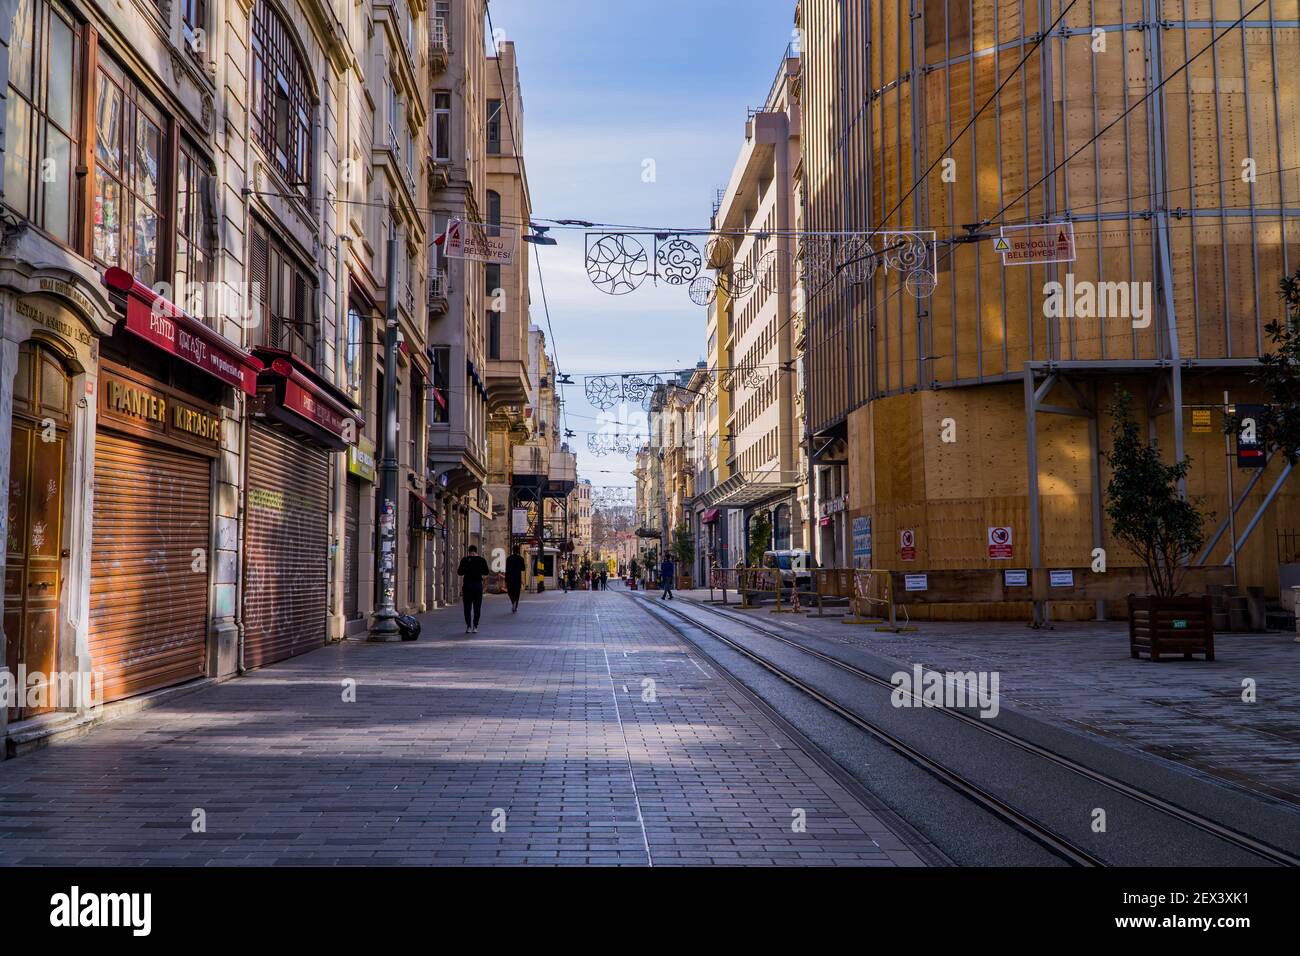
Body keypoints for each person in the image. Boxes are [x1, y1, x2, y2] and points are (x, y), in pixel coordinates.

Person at [457, 546, 491, 633]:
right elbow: (486, 572)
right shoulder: (481, 560)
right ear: (476, 551)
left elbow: (459, 572)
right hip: (477, 586)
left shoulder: (464, 560)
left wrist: (467, 570)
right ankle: (475, 627)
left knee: (467, 607)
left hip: (467, 586)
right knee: (477, 607)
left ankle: (468, 626)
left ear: (469, 551)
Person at [505, 546, 526, 613]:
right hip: (517, 578)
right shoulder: (521, 559)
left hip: (510, 578)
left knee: (510, 592)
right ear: (518, 551)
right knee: (517, 593)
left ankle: (513, 601)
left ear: (513, 550)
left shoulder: (508, 558)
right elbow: (523, 569)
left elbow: (507, 569)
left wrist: (506, 579)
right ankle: (515, 605)